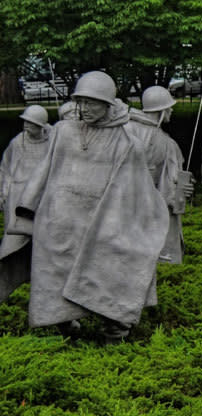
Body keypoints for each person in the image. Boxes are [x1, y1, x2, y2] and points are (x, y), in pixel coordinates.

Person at [9, 71, 169, 341]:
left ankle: (115, 328)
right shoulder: (62, 131)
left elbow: (136, 190)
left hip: (100, 223)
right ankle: (63, 324)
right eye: (80, 102)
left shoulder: (127, 142)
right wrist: (27, 210)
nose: (84, 108)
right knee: (54, 277)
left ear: (107, 103)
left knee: (106, 274)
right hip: (57, 222)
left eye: (91, 102)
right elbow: (44, 170)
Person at [129, 86, 193, 263]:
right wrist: (177, 193)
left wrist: (182, 188)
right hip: (147, 204)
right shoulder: (166, 143)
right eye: (169, 107)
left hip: (129, 203)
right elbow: (172, 184)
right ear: (161, 110)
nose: (171, 110)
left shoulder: (124, 130)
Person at [0, 105, 52, 302]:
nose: (26, 126)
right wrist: (3, 192)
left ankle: (42, 278)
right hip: (16, 197)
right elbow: (5, 169)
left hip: (41, 198)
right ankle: (12, 275)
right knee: (14, 240)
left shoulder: (51, 143)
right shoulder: (17, 142)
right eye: (25, 122)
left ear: (40, 125)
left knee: (42, 242)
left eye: (31, 123)